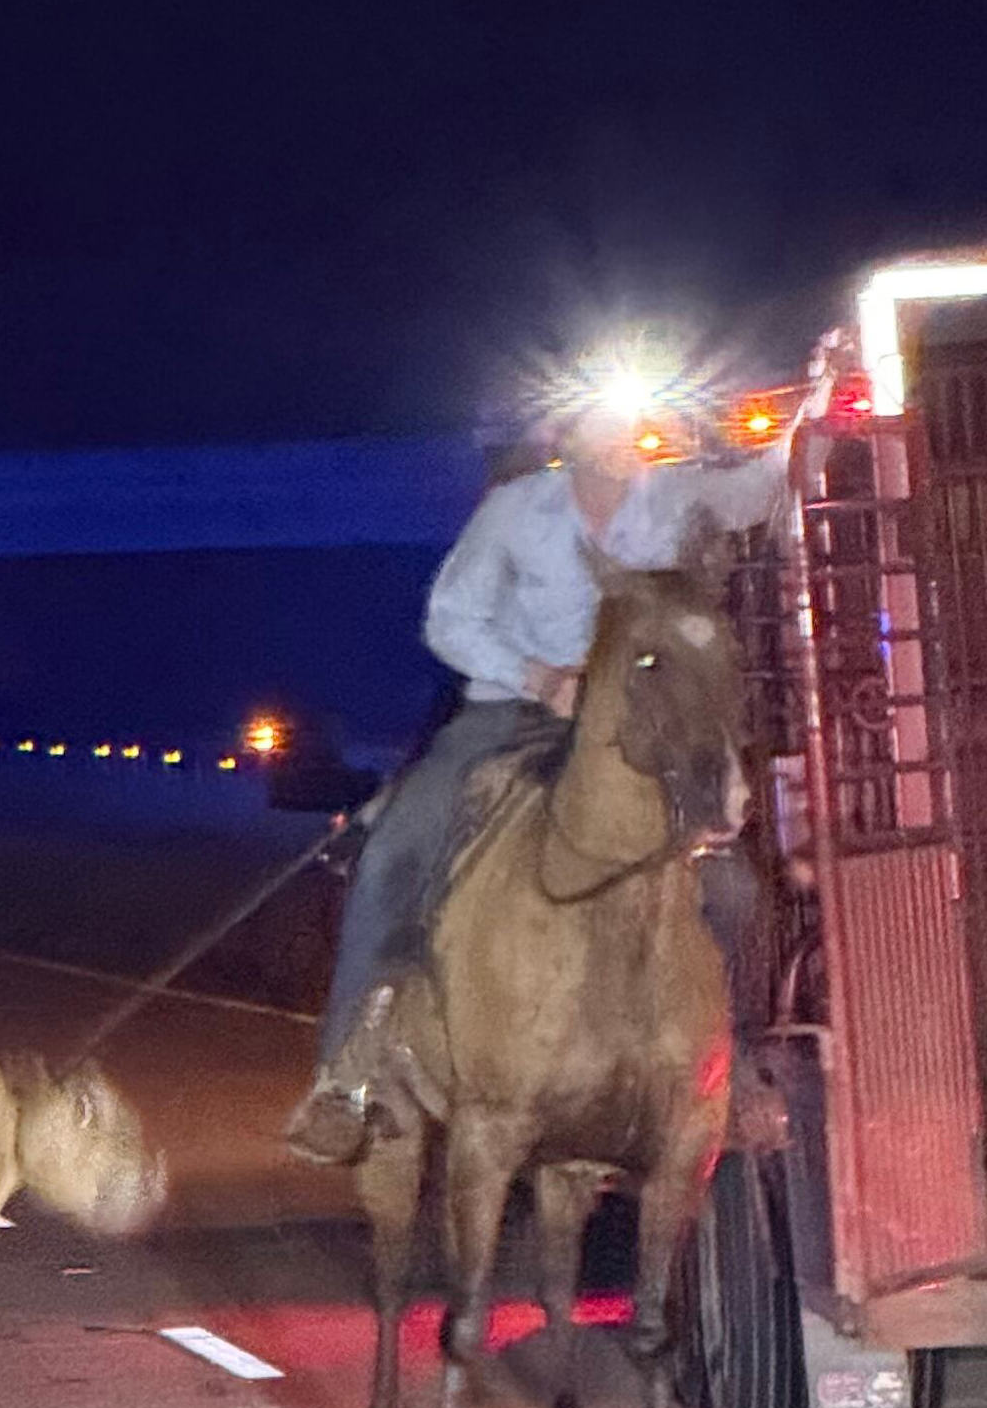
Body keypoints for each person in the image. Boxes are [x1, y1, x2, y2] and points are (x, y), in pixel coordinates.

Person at [281, 384, 807, 1163]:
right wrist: (536, 675)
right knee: (396, 851)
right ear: (571, 439)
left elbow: (753, 493)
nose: (622, 437)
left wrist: (813, 411)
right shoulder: (515, 514)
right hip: (513, 711)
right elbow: (450, 619)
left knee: (728, 886)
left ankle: (718, 1067)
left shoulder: (668, 499)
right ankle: (348, 1079)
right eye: (604, 424)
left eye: (629, 423)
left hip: (633, 722)